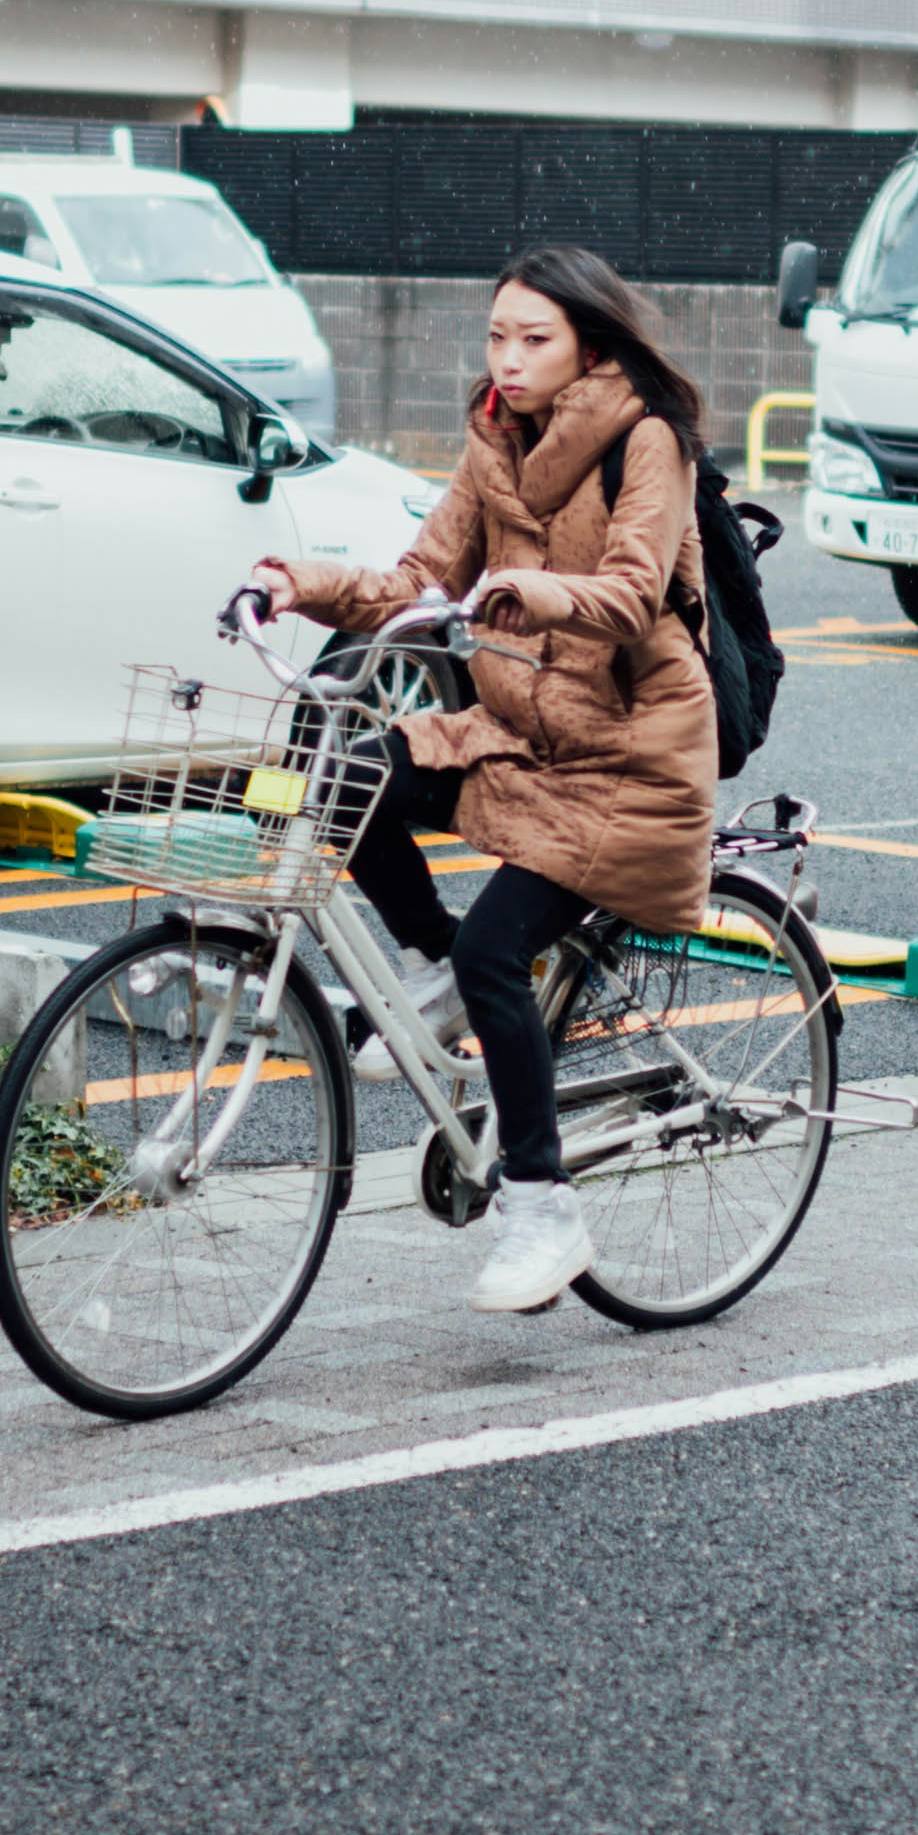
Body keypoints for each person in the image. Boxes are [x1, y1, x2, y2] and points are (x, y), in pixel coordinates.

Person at [253, 247, 721, 1313]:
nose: (507, 359)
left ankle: (542, 1204)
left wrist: (541, 591)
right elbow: (417, 582)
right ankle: (437, 965)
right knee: (338, 769)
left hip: (633, 757)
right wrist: (300, 583)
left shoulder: (648, 437)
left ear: (589, 345)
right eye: (496, 335)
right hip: (521, 728)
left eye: (534, 338)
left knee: (499, 946)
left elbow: (636, 591)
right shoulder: (494, 443)